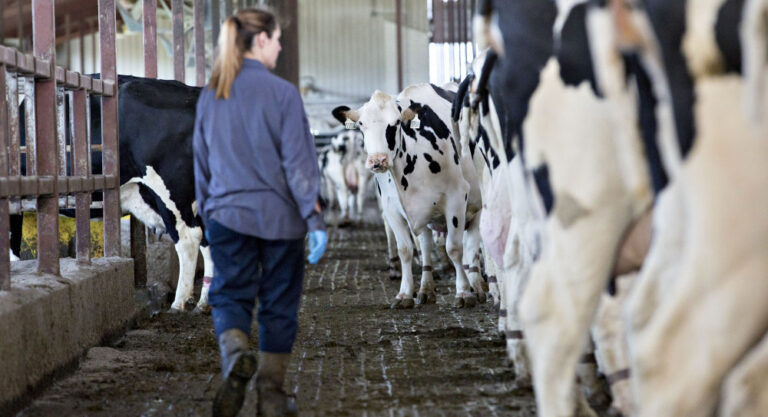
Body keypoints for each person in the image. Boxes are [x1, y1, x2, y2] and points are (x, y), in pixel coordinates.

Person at [193, 8, 327, 417]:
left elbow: (201, 162)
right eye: (277, 38)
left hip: (228, 215)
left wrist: (208, 216)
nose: (281, 46)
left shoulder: (212, 94)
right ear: (262, 41)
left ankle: (235, 355)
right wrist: (315, 219)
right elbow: (300, 165)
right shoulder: (284, 94)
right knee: (278, 305)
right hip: (281, 220)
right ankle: (270, 395)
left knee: (230, 294)